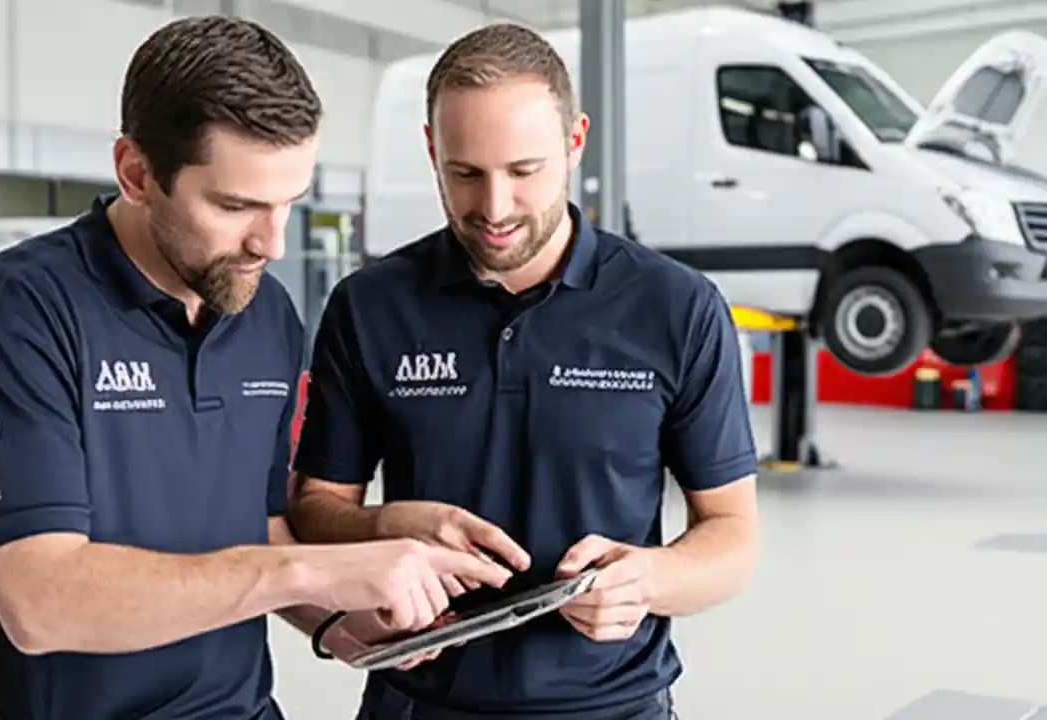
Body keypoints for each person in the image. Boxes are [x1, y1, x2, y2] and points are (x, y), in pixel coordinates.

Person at [0, 16, 512, 720]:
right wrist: (316, 567)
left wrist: (337, 617)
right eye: (235, 206)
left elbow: (260, 531)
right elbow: (39, 602)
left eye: (287, 203)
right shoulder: (16, 313)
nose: (269, 241)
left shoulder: (268, 315)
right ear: (137, 173)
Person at [289, 22, 760, 720]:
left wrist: (650, 578)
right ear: (431, 149)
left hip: (613, 706)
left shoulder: (676, 308)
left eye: (524, 170)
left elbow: (732, 534)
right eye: (465, 173)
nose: (496, 208)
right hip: (416, 702)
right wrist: (386, 523)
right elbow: (313, 508)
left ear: (575, 142)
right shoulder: (369, 307)